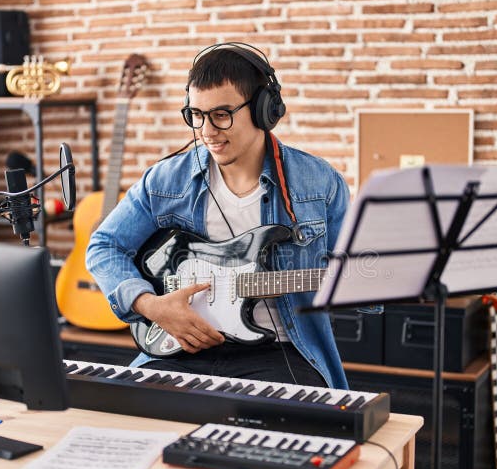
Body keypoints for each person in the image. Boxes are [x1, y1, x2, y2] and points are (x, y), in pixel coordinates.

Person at [86, 42, 351, 389]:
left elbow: (353, 269)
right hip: (177, 346)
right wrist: (150, 305)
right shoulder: (165, 181)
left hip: (280, 352)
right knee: (128, 418)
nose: (206, 131)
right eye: (196, 115)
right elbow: (104, 245)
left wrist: (369, 282)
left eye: (221, 114)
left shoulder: (318, 182)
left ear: (263, 109)